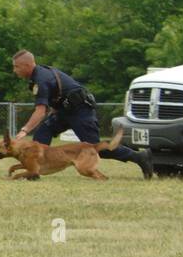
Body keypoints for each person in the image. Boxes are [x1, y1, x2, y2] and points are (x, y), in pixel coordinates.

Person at [11, 50, 153, 178]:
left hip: (80, 111)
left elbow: (40, 110)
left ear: (27, 65)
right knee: (44, 130)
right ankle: (34, 170)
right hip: (64, 111)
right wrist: (55, 112)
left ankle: (139, 156)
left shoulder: (42, 79)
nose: (14, 70)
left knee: (95, 148)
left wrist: (25, 130)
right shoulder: (38, 76)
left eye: (16, 66)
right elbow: (55, 97)